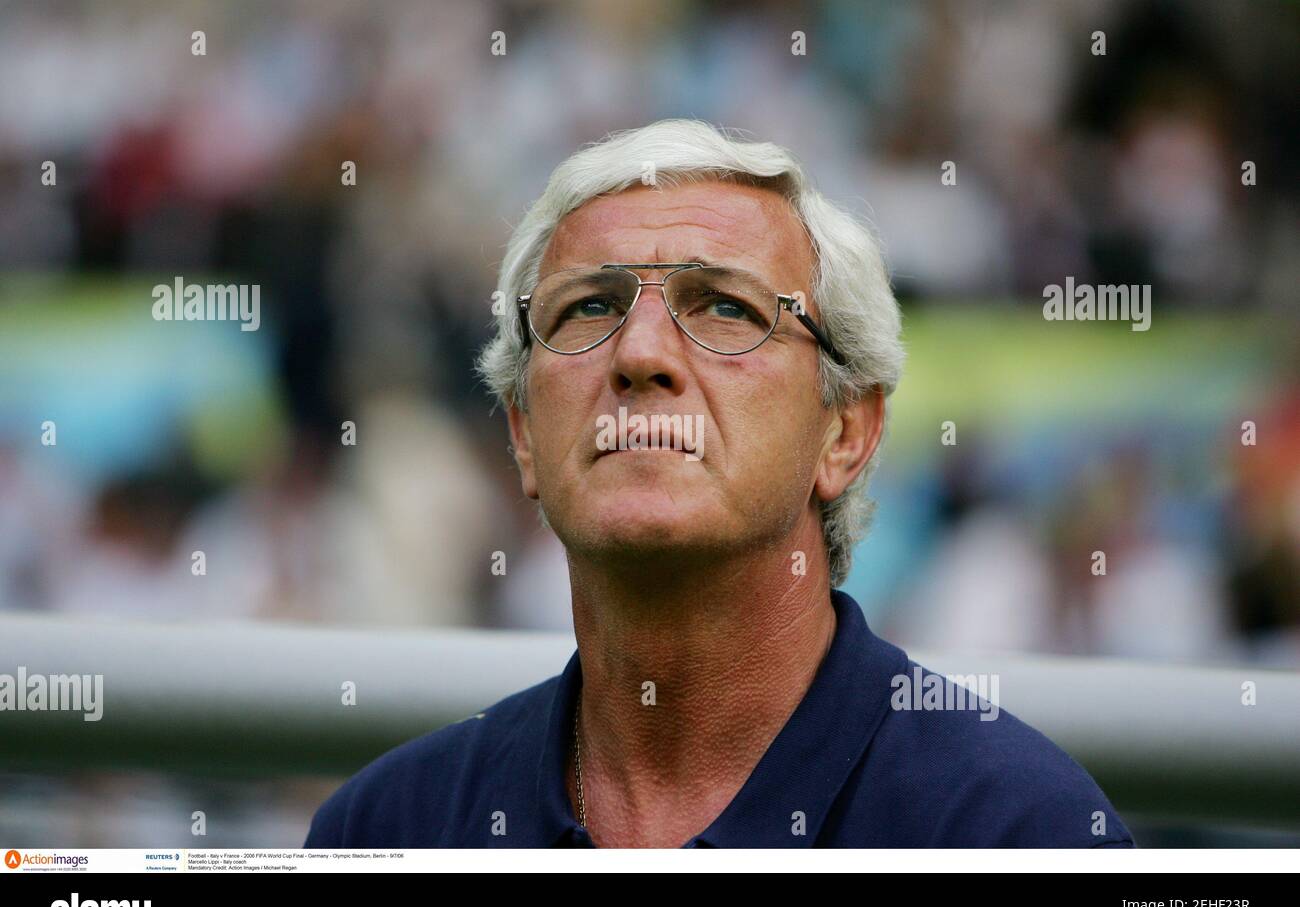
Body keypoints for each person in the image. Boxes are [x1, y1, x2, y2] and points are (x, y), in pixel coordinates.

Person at [304, 120, 1133, 848]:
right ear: (523, 432)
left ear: (845, 430)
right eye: (589, 307)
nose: (640, 354)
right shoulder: (388, 831)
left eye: (727, 308)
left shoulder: (1014, 833)